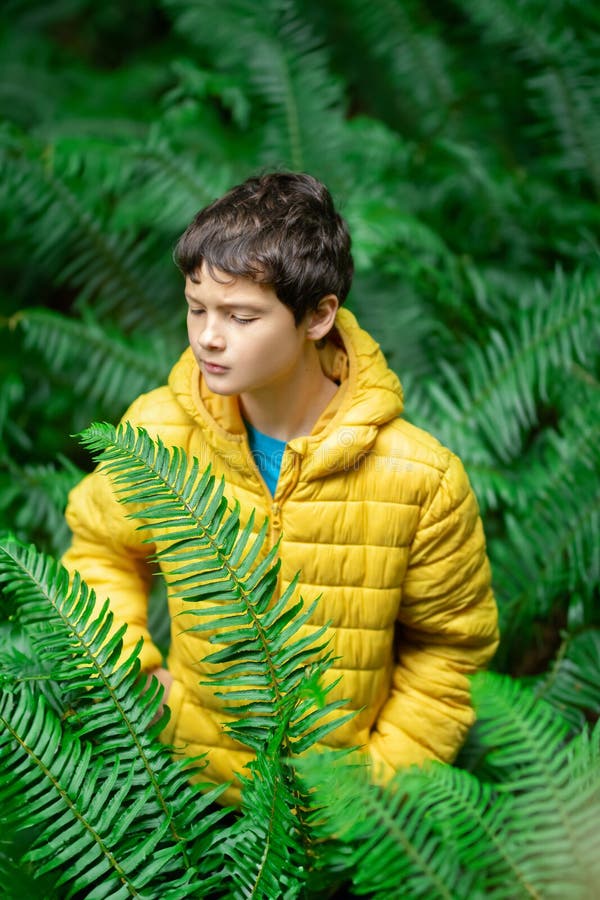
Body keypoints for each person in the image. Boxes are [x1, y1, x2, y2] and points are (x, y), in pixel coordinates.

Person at [62, 172, 499, 805]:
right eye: (196, 307)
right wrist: (134, 678)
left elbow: (453, 651)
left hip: (338, 824)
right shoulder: (159, 431)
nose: (209, 336)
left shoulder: (420, 479)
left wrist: (380, 789)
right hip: (175, 809)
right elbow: (99, 551)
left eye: (241, 315)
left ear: (318, 315)